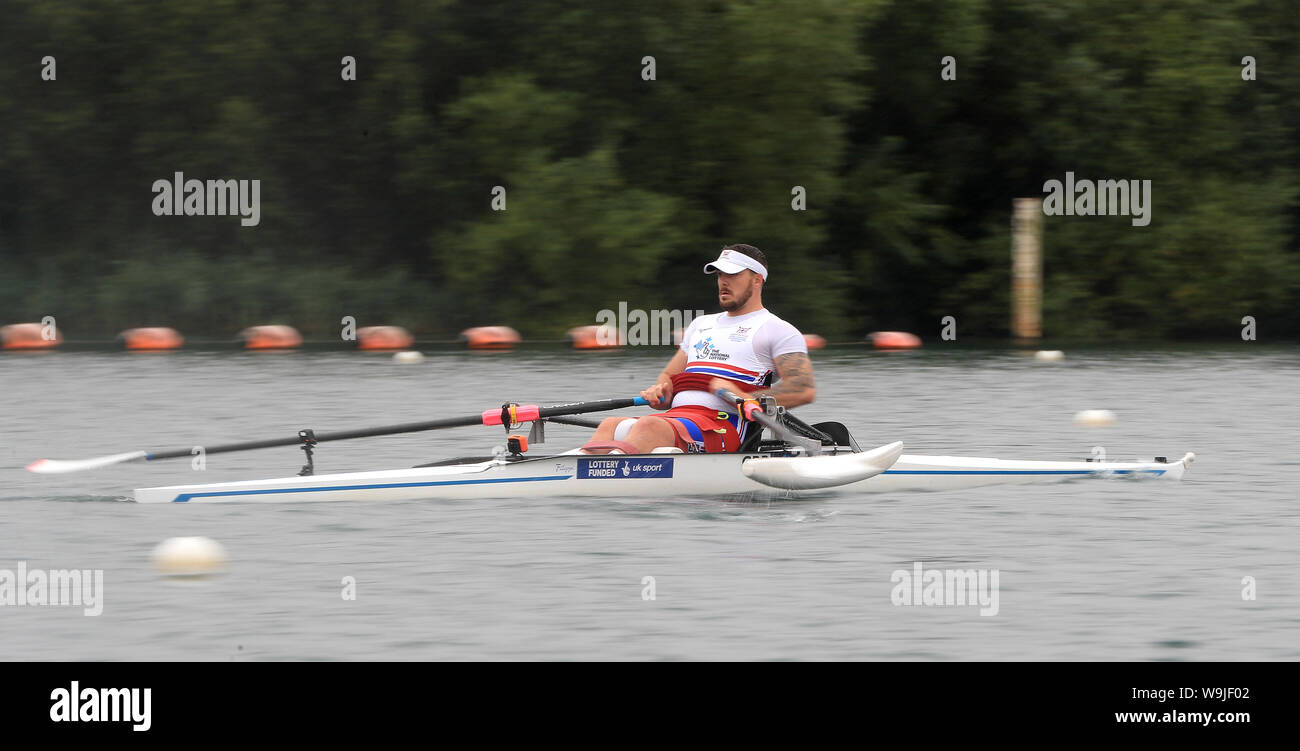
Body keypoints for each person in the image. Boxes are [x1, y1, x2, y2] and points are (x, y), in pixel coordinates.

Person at [581, 243, 815, 454]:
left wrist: (743, 396)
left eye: (732, 274)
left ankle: (607, 475)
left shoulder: (777, 330)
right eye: (720, 274)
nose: (723, 281)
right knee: (610, 424)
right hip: (679, 419)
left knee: (648, 425)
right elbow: (669, 377)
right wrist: (661, 393)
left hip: (724, 427)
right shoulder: (701, 324)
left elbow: (803, 389)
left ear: (757, 280)